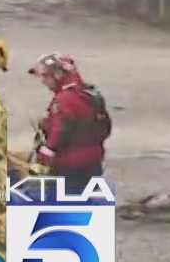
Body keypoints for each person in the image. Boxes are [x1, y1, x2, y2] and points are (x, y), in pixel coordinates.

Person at [27, 52, 111, 188]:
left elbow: (61, 131)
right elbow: (105, 129)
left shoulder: (66, 99)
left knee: (61, 203)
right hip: (92, 162)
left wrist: (44, 155)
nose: (43, 81)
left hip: (70, 166)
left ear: (58, 75)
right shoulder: (90, 94)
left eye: (45, 76)